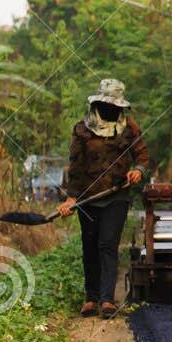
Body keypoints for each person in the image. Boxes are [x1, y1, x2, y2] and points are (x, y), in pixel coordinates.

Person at [58, 78, 149, 317]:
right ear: (98, 104)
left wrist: (137, 170)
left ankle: (107, 300)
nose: (112, 110)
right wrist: (71, 198)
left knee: (107, 244)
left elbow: (142, 155)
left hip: (116, 195)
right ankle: (91, 297)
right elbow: (75, 167)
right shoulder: (82, 130)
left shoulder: (130, 128)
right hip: (88, 197)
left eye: (116, 107)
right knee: (90, 245)